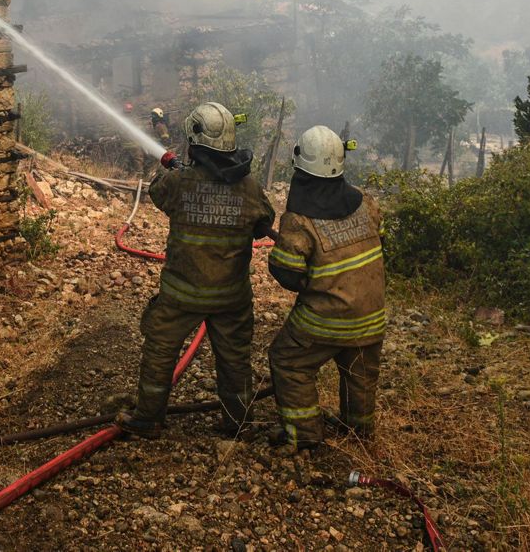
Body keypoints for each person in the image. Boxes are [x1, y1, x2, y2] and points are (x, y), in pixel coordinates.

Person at [118, 102, 275, 439]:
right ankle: (239, 422)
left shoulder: (179, 183)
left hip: (181, 294)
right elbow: (264, 223)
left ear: (194, 140)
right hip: (231, 297)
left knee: (160, 348)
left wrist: (176, 170)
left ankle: (147, 419)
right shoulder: (249, 187)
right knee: (234, 359)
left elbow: (159, 194)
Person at [267, 125, 385, 452]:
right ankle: (358, 431)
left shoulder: (299, 219)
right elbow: (378, 240)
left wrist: (308, 279)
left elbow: (287, 272)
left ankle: (304, 435)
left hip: (325, 320)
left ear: (302, 169)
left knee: (287, 360)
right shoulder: (366, 203)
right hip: (372, 317)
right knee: (359, 371)